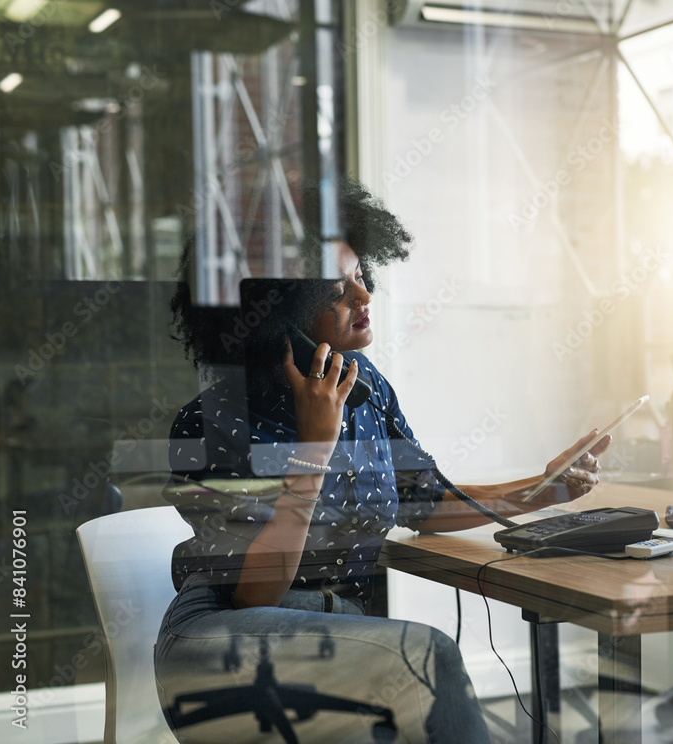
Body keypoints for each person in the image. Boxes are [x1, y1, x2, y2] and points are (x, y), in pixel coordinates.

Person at [155, 180, 611, 744]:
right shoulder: (212, 423)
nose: (364, 296)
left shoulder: (361, 385)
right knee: (429, 657)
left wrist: (543, 488)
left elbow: (425, 501)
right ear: (277, 315)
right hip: (223, 642)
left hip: (337, 633)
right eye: (335, 292)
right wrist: (315, 449)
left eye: (360, 277)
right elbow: (255, 594)